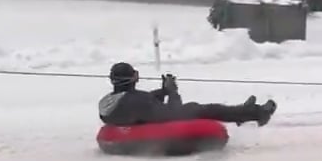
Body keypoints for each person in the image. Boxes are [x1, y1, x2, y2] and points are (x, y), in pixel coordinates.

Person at [99, 63, 277, 127]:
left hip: (139, 120)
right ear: (135, 77)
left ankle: (242, 111)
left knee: (195, 108)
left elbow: (141, 102)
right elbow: (174, 113)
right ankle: (256, 113)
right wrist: (173, 92)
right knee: (200, 109)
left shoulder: (107, 103)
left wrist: (163, 91)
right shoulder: (138, 100)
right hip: (162, 124)